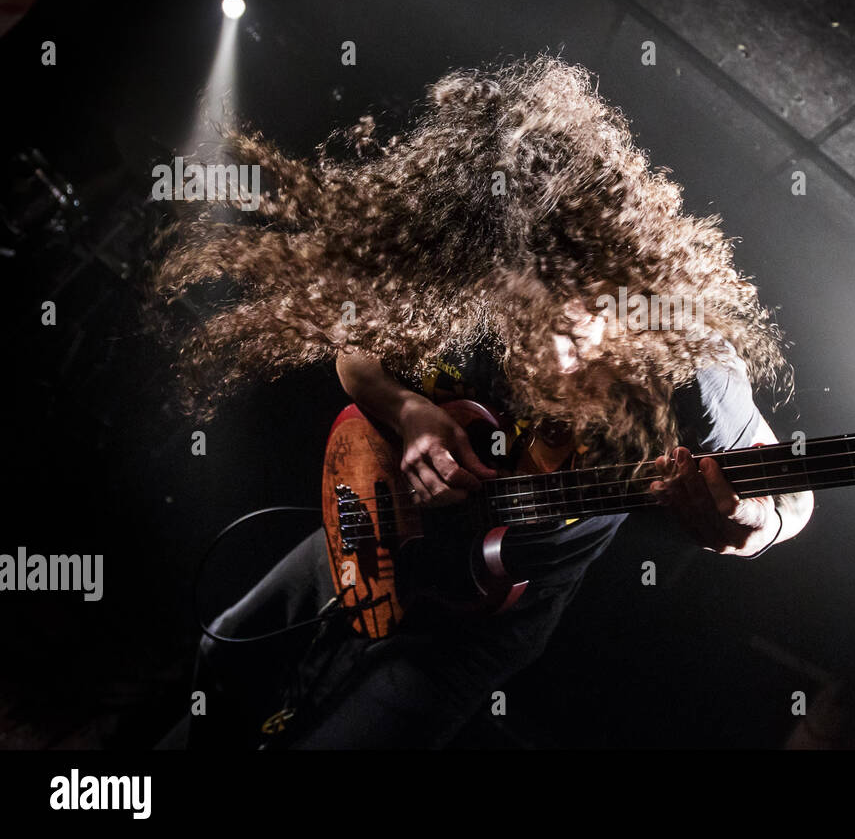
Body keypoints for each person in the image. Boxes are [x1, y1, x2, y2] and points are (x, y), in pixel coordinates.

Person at [151, 53, 814, 748]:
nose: (553, 355)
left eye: (574, 321)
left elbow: (795, 498)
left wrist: (750, 526)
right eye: (526, 323)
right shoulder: (469, 277)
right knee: (223, 661)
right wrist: (408, 414)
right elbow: (355, 351)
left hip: (477, 621)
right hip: (372, 525)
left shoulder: (689, 368)